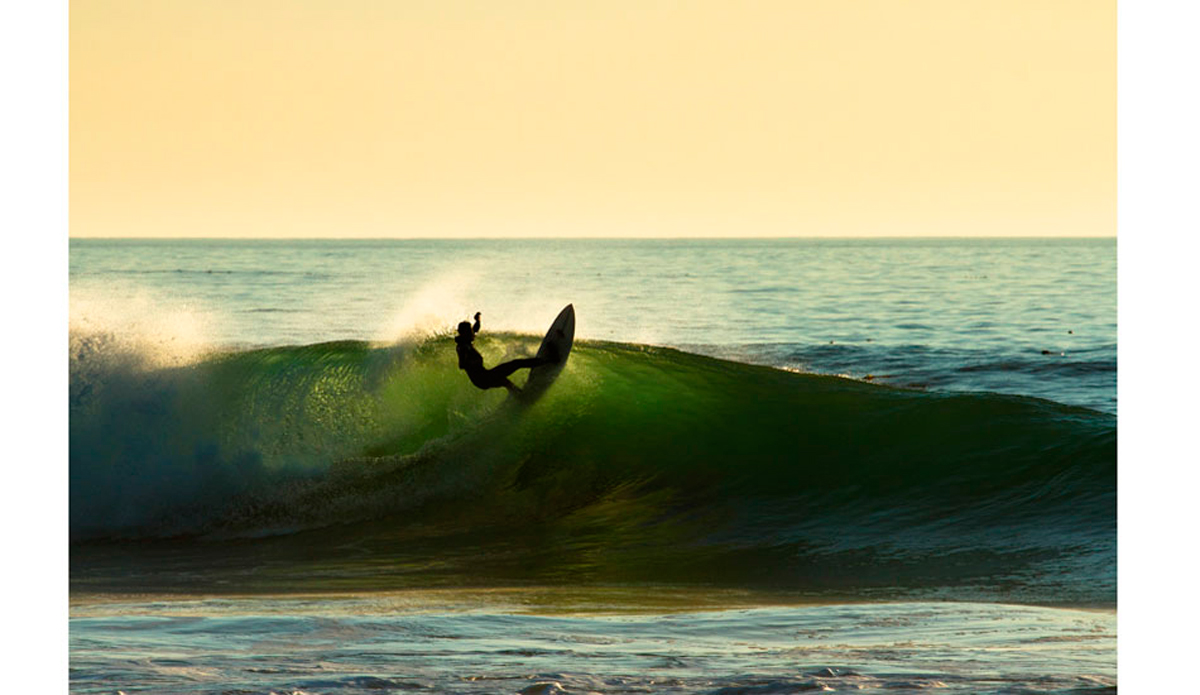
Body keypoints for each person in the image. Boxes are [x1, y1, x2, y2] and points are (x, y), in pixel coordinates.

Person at [455, 312, 548, 393]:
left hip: (482, 379)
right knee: (517, 363)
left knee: (505, 382)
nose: (472, 333)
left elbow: (475, 330)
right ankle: (548, 360)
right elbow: (462, 365)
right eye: (469, 331)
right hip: (484, 378)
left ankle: (520, 395)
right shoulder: (463, 347)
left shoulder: (466, 340)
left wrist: (478, 321)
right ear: (464, 333)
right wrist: (473, 362)